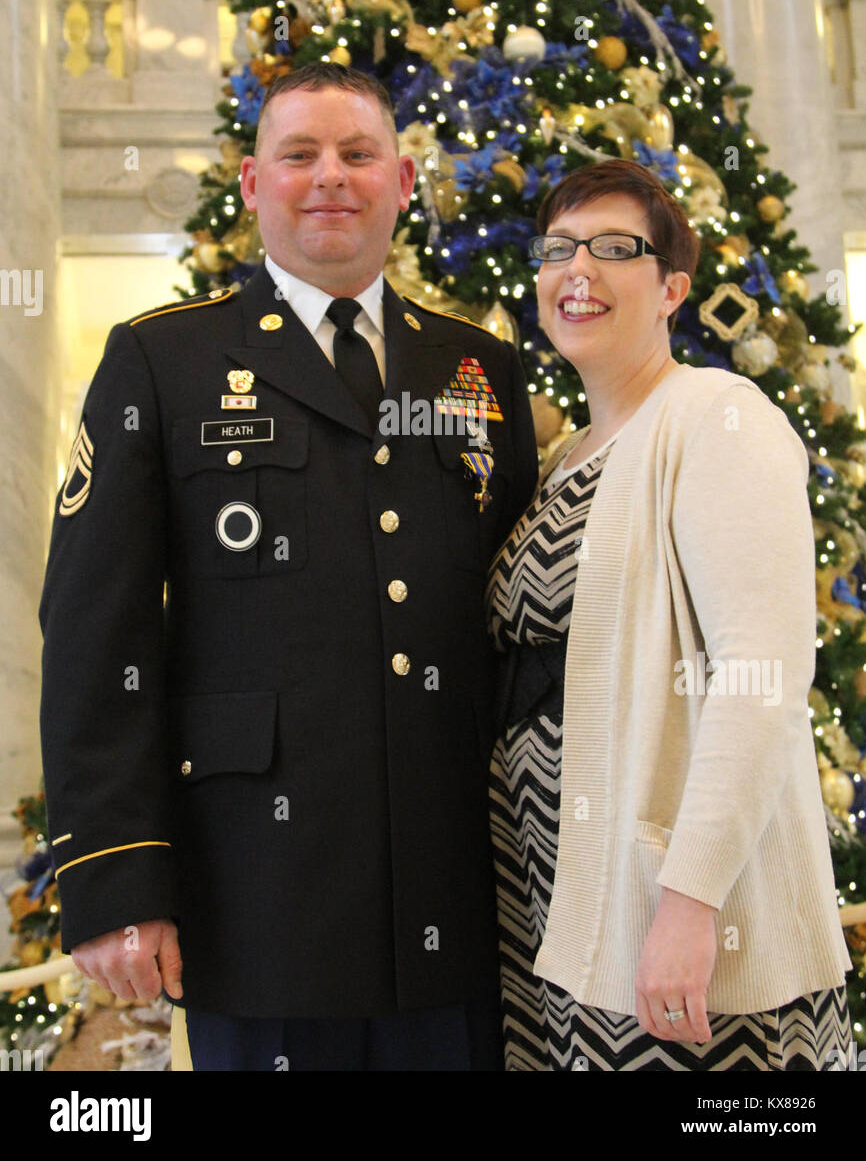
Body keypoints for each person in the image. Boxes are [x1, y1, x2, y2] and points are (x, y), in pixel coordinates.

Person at [38, 62, 538, 1071]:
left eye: (358, 155)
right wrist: (118, 878)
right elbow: (99, 634)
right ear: (252, 184)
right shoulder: (161, 362)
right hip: (256, 900)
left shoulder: (478, 368)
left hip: (455, 895)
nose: (330, 177)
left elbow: (514, 626)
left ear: (401, 183)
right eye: (298, 154)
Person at [486, 157, 853, 1071]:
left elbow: (761, 677)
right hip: (566, 894)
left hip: (684, 919)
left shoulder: (717, 417)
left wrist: (690, 903)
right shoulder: (568, 453)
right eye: (559, 248)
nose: (580, 271)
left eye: (617, 249)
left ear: (672, 288)